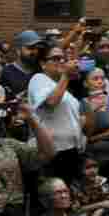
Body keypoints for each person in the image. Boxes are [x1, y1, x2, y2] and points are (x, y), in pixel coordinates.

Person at [28, 45, 86, 184]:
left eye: (63, 58)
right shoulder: (38, 79)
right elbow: (51, 102)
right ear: (42, 64)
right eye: (55, 58)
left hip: (71, 151)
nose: (61, 61)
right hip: (52, 154)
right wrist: (66, 75)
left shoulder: (61, 85)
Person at [1, 30, 44, 95]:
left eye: (37, 48)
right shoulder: (6, 73)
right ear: (18, 50)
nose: (35, 52)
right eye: (31, 48)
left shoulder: (40, 71)